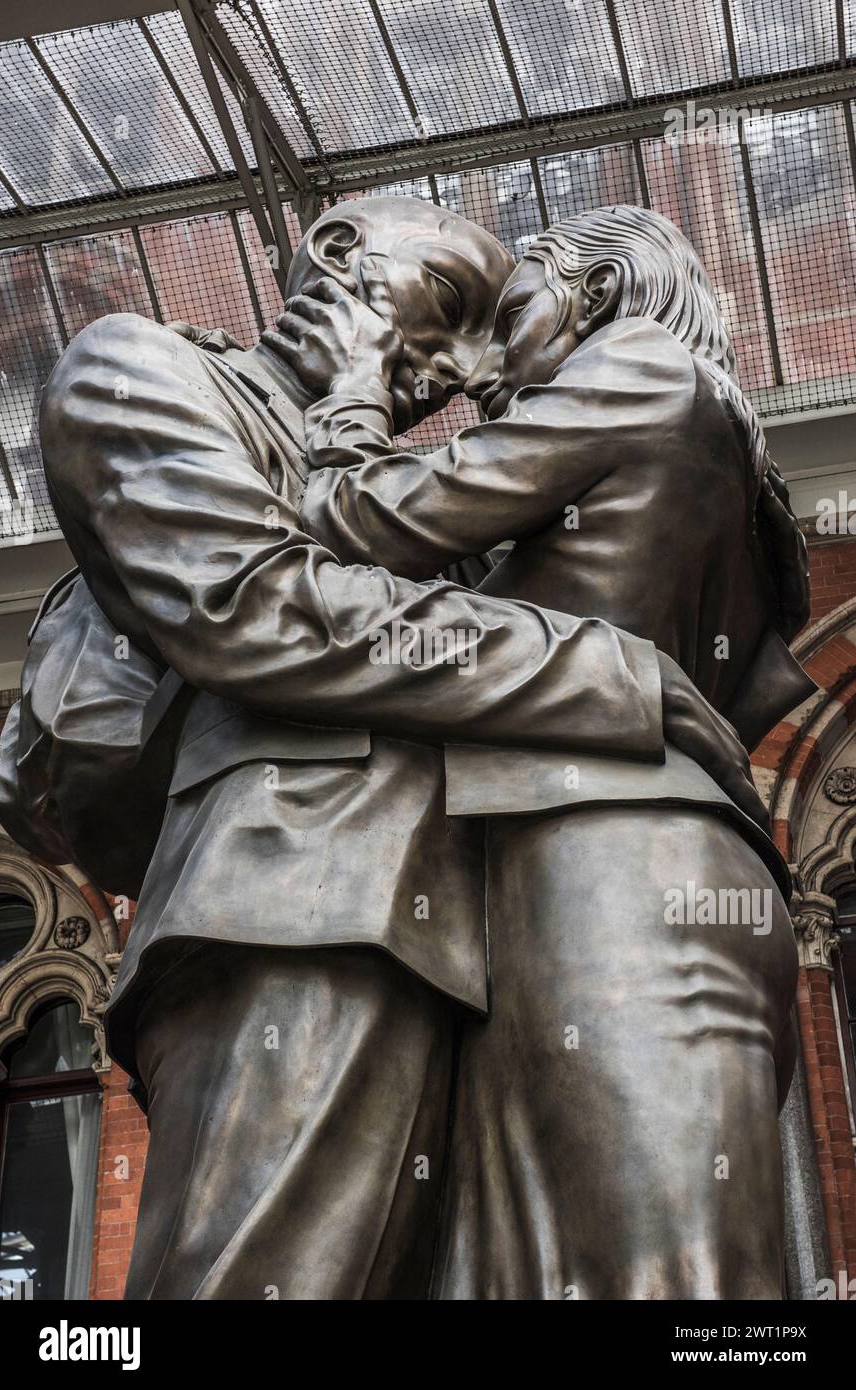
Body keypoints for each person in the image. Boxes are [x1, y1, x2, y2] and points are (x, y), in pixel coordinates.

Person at [26, 197, 757, 1300]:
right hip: (287, 910)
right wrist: (613, 673)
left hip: (468, 939)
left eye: (487, 330)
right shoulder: (138, 367)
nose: (468, 366)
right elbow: (257, 610)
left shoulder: (439, 492)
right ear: (335, 250)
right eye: (458, 304)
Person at [280, 205, 816, 1298]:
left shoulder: (640, 370)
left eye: (514, 307)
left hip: (607, 860)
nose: (475, 374)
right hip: (646, 855)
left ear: (599, 294)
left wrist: (350, 395)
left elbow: (361, 517)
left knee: (656, 1267)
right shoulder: (695, 468)